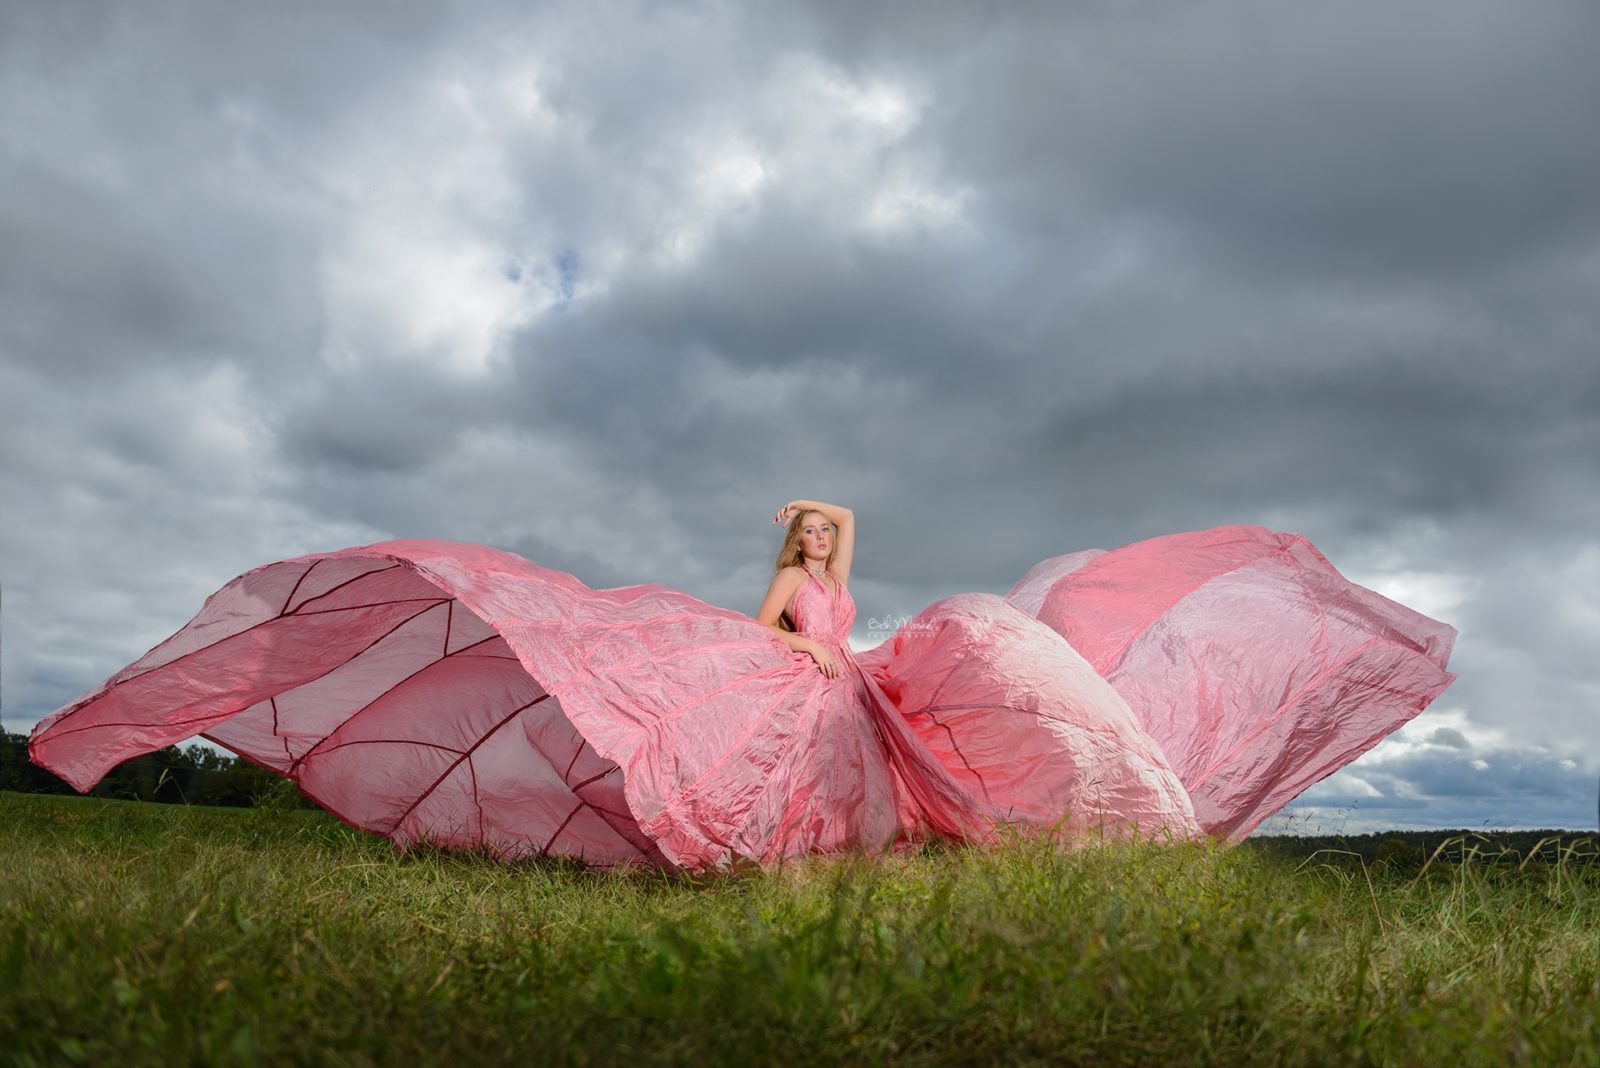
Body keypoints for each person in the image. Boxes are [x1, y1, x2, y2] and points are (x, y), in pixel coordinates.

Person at [27, 513, 1457, 871]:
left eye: (831, 544)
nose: (826, 548)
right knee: (772, 785)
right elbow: (787, 626)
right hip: (802, 673)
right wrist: (809, 635)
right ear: (800, 548)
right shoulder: (790, 584)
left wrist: (853, 623)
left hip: (856, 670)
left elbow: (846, 585)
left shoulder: (846, 567)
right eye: (816, 541)